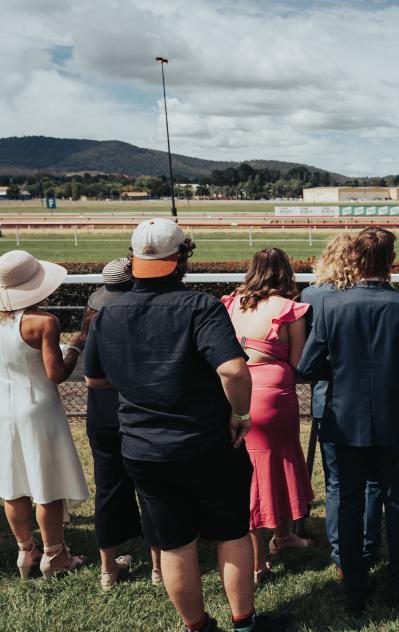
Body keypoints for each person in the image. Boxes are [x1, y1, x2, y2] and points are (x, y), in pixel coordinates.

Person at [84, 218, 283, 632]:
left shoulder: (107, 311)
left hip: (141, 447)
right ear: (181, 260)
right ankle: (244, 623)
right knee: (230, 532)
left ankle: (198, 626)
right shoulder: (199, 306)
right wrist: (241, 415)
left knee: (174, 542)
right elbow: (233, 370)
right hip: (208, 441)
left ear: (135, 260)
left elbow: (95, 379)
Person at [296, 227, 399, 614]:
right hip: (396, 419)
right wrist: (395, 371)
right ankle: (397, 582)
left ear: (358, 261)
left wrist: (347, 369)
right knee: (396, 502)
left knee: (348, 500)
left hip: (345, 418)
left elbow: (309, 366)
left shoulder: (330, 306)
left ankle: (354, 588)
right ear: (392, 265)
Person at [222, 247, 314, 586]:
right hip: (273, 396)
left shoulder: (231, 303)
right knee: (271, 473)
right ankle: (260, 563)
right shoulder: (290, 308)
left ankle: (281, 539)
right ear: (285, 272)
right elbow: (299, 363)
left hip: (235, 393)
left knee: (251, 473)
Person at [0, 249, 90, 579]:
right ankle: (55, 555)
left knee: (12, 484)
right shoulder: (43, 322)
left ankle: (26, 551)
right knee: (45, 484)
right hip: (38, 408)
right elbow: (55, 373)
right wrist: (76, 346)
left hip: (3, 409)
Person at [299, 235, 384, 580]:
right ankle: (368, 543)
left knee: (337, 482)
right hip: (372, 397)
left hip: (329, 397)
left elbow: (307, 356)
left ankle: (340, 551)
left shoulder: (312, 295)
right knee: (372, 481)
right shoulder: (365, 296)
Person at [83, 257, 161, 590]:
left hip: (102, 416)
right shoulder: (143, 316)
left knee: (108, 488)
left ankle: (107, 570)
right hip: (139, 411)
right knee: (152, 488)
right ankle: (158, 567)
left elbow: (90, 378)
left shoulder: (95, 318)